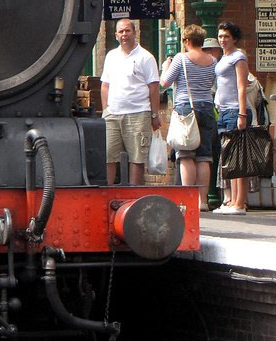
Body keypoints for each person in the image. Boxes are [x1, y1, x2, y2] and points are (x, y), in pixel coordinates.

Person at [160, 24, 217, 211]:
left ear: (186, 41)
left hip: (186, 108)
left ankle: (187, 199)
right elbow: (212, 84)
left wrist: (165, 67)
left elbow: (165, 82)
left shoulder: (181, 59)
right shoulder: (212, 60)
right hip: (207, 108)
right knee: (204, 156)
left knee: (185, 155)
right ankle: (202, 201)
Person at [100, 18, 161, 185]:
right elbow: (105, 85)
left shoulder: (146, 57)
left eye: (127, 31)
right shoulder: (111, 56)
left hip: (138, 113)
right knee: (109, 156)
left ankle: (133, 192)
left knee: (137, 157)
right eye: (121, 31)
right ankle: (108, 191)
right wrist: (106, 109)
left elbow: (154, 88)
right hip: (113, 115)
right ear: (116, 35)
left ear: (135, 33)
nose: (124, 35)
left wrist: (154, 114)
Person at [214, 22, 250, 214]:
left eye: (226, 36)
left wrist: (242, 113)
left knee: (237, 159)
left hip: (235, 110)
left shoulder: (238, 57)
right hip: (224, 112)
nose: (222, 39)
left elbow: (242, 86)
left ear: (234, 38)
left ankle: (239, 203)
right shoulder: (223, 58)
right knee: (229, 158)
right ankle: (232, 202)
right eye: (220, 36)